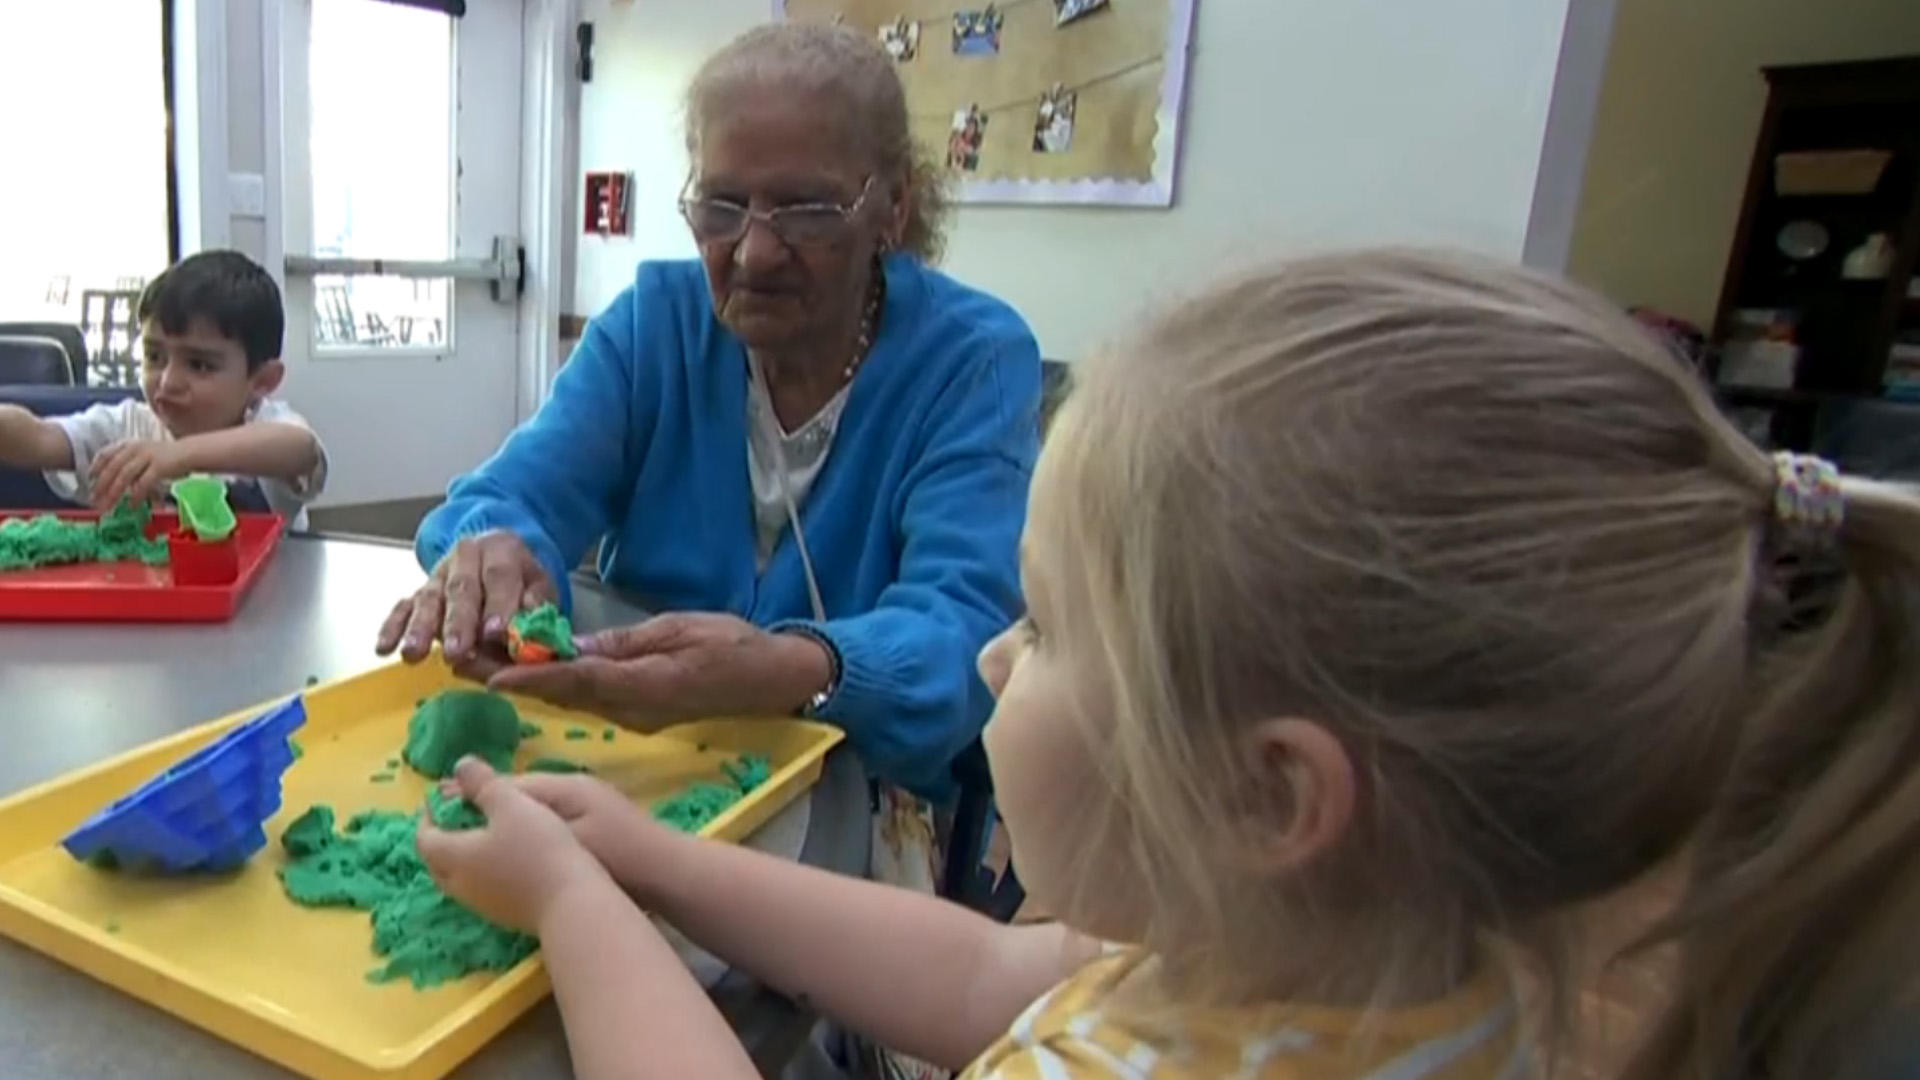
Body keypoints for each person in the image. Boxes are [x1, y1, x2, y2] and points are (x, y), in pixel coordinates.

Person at [413, 250, 1920, 1080]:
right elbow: (1006, 971)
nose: (998, 652)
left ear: (1270, 795)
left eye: (1052, 625)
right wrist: (654, 862)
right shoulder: (1366, 955)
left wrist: (574, 905)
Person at [377, 24, 1040, 816]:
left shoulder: (971, 362)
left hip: (852, 788)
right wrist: (491, 548)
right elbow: (506, 496)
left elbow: (966, 640)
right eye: (722, 206)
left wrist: (794, 668)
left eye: (807, 209)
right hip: (635, 767)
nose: (755, 253)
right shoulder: (654, 324)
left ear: (891, 207)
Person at [0, 250, 328, 527]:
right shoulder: (126, 426)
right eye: (154, 356)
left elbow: (299, 448)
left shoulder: (267, 425)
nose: (168, 381)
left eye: (199, 365)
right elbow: (39, 437)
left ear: (262, 380)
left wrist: (176, 455)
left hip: (271, 597)